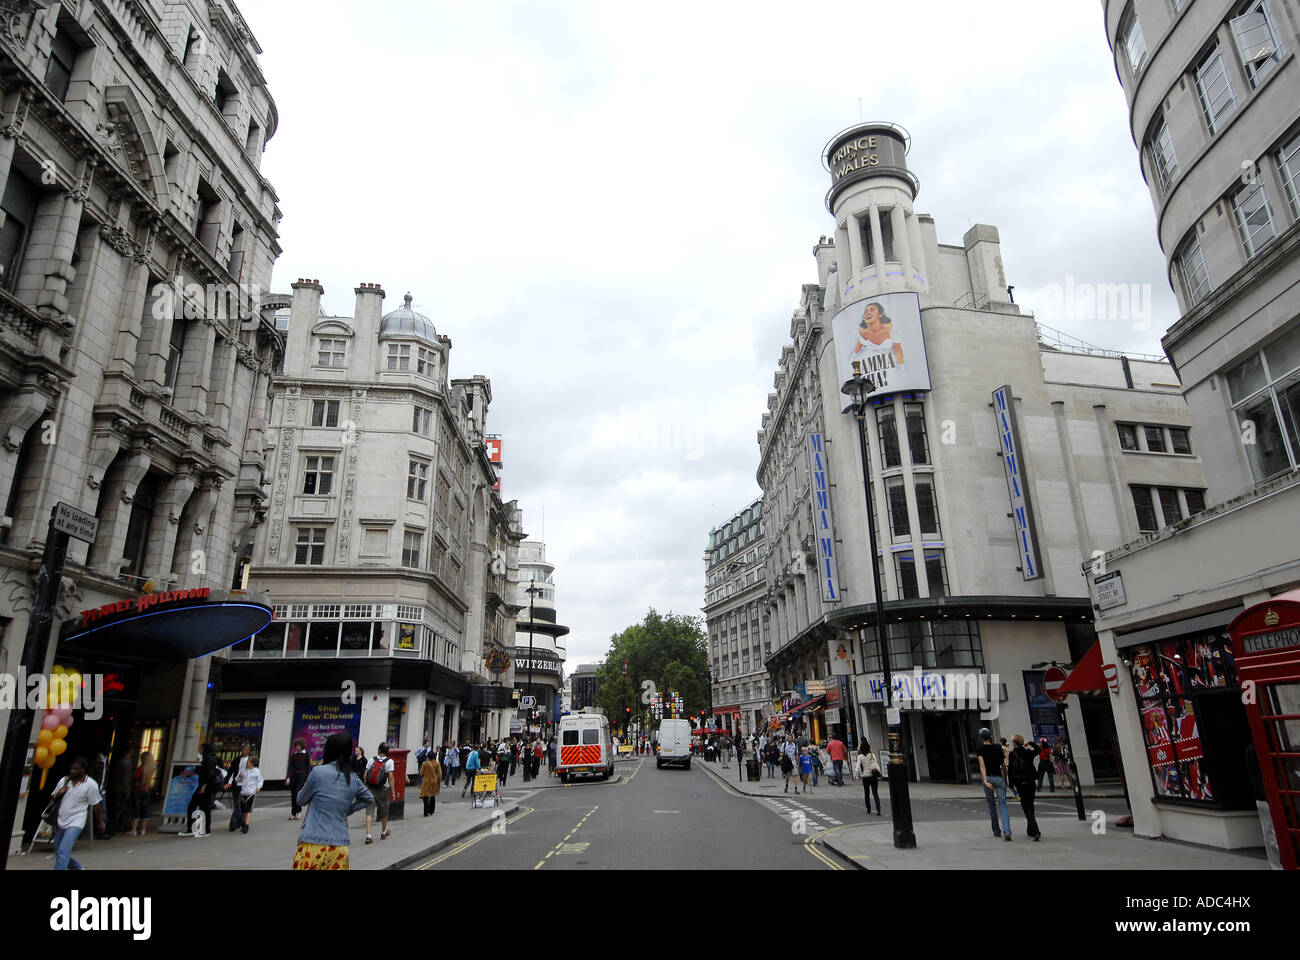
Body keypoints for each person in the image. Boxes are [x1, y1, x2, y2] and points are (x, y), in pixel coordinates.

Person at [291, 732, 375, 870]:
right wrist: (348, 810)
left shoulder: (318, 772)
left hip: (314, 842)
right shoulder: (353, 778)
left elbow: (300, 800)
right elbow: (368, 799)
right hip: (340, 846)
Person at [48, 757, 106, 870]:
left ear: (83, 769)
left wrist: (100, 822)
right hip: (60, 819)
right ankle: (77, 867)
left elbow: (96, 805)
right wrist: (59, 793)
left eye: (76, 769)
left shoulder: (91, 785)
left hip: (76, 821)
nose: (72, 771)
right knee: (59, 850)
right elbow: (53, 797)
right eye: (72, 769)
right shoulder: (64, 781)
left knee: (63, 850)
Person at [977, 728, 1012, 840]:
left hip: (989, 778)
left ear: (982, 737)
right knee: (1003, 804)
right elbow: (1003, 764)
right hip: (998, 776)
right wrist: (1005, 777)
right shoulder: (997, 747)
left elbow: (982, 766)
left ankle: (996, 830)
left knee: (991, 804)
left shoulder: (981, 750)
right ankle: (1007, 831)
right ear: (990, 736)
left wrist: (985, 780)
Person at [181, 743, 222, 836]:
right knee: (204, 807)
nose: (200, 750)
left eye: (202, 748)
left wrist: (203, 786)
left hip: (204, 787)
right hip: (206, 787)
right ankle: (204, 830)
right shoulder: (208, 759)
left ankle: (193, 828)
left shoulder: (208, 759)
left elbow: (208, 774)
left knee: (194, 806)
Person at [1007, 735, 1041, 841]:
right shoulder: (1028, 753)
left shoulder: (1012, 754)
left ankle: (1035, 831)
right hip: (1030, 781)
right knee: (1030, 805)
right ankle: (1030, 829)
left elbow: (1010, 770)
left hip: (1019, 782)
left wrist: (1011, 784)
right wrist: (1030, 743)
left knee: (1026, 807)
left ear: (1015, 743)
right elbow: (1038, 749)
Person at [364, 742, 395, 843]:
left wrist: (366, 787)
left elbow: (365, 775)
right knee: (384, 812)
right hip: (383, 789)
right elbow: (391, 777)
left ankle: (368, 835)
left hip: (371, 788)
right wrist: (393, 791)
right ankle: (383, 832)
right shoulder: (390, 762)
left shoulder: (371, 759)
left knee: (369, 812)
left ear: (379, 750)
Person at [234, 756, 264, 834]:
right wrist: (239, 777)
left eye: (248, 762)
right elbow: (237, 780)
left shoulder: (256, 771)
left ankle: (246, 825)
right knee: (243, 809)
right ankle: (243, 823)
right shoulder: (244, 771)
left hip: (251, 793)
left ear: (252, 763)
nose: (246, 763)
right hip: (243, 792)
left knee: (248, 810)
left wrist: (258, 787)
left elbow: (260, 780)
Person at [129, 749, 156, 837]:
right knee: (144, 809)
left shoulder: (141, 769)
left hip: (138, 789)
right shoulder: (152, 768)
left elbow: (136, 778)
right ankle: (143, 830)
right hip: (147, 789)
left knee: (136, 809)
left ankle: (134, 830)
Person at [286, 738, 311, 819]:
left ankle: (298, 812)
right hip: (294, 777)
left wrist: (307, 779)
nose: (297, 747)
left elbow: (308, 767)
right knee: (293, 795)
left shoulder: (306, 755)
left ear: (302, 746)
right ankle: (293, 813)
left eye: (299, 745)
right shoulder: (294, 755)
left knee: (297, 793)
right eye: (296, 745)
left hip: (302, 777)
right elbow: (291, 767)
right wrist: (288, 777)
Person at [854, 740, 882, 815]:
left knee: (867, 793)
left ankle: (868, 808)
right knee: (875, 793)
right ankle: (878, 808)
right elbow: (876, 764)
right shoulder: (872, 755)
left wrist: (856, 776)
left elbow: (857, 767)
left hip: (865, 776)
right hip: (873, 776)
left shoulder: (860, 756)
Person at [420, 748, 442, 816]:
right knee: (432, 796)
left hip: (426, 781)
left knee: (425, 797)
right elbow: (440, 773)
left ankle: (425, 812)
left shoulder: (425, 764)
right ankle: (431, 810)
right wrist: (439, 780)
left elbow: (421, 773)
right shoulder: (437, 763)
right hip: (434, 781)